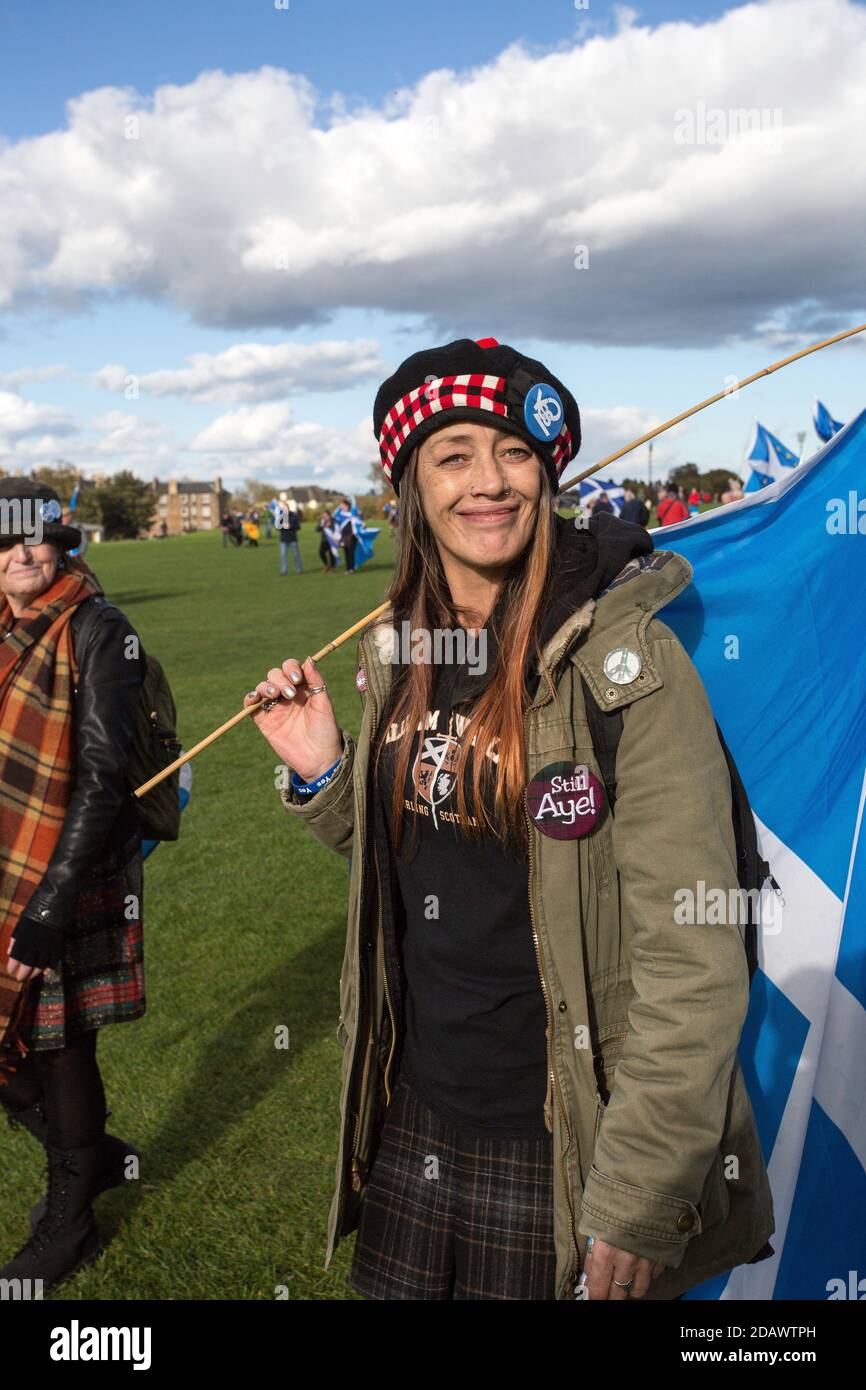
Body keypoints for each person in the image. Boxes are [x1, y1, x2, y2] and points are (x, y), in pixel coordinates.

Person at [245, 337, 775, 1301]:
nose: (488, 483)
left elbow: (693, 952)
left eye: (514, 454)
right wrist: (328, 773)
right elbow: (422, 869)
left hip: (563, 1134)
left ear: (550, 468)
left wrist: (643, 1191)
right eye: (453, 456)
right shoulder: (395, 649)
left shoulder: (629, 665)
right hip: (414, 1110)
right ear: (407, 484)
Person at [0, 481, 145, 1293]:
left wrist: (48, 907)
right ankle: (99, 1157)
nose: (20, 555)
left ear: (63, 546)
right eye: (5, 542)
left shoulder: (97, 628)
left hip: (67, 867)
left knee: (57, 1048)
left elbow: (101, 777)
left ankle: (71, 1220)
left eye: (36, 539)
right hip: (2, 863)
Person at [277, 499, 303, 575]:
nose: (285, 510)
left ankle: (299, 570)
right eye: (283, 509)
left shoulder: (294, 516)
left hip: (292, 539)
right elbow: (277, 528)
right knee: (283, 556)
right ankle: (284, 571)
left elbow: (298, 527)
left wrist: (290, 526)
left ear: (288, 508)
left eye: (286, 508)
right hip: (283, 539)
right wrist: (282, 526)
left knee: (296, 555)